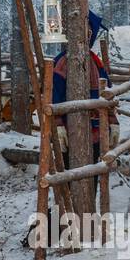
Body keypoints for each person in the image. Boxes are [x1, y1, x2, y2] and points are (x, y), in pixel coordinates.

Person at [51, 10, 119, 168]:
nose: (85, 36)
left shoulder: (97, 64)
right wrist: (58, 126)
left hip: (96, 134)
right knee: (69, 175)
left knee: (93, 173)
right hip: (71, 135)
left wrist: (113, 121)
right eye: (81, 31)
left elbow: (107, 94)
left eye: (89, 32)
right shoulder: (61, 63)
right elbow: (53, 96)